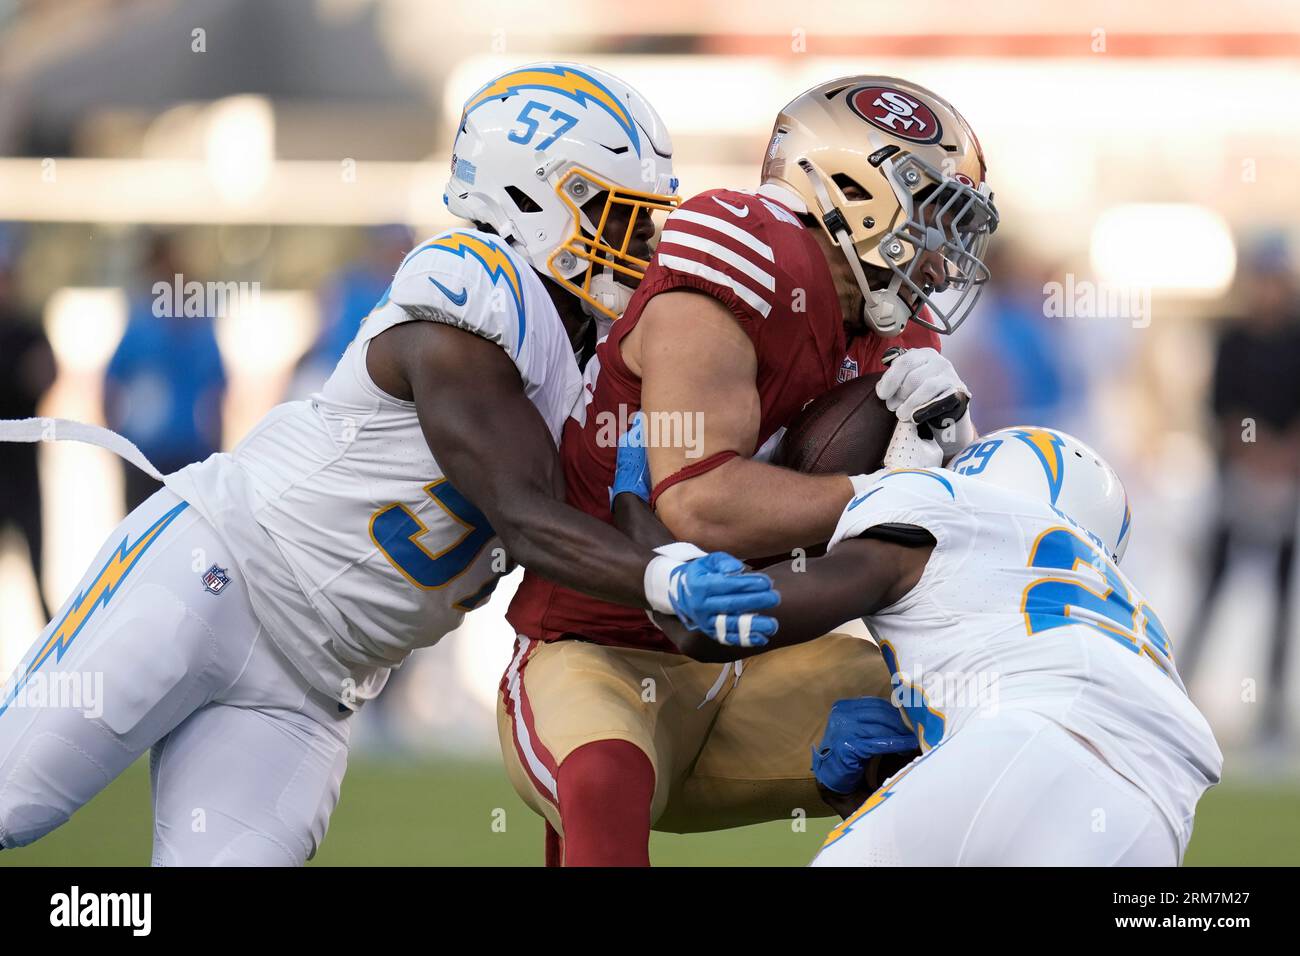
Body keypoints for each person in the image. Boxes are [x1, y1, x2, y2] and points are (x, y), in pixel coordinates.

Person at [0, 62, 773, 865]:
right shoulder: (473, 283)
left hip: (317, 684)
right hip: (217, 575)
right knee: (10, 797)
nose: (639, 245)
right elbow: (522, 511)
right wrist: (667, 578)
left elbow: (631, 524)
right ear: (530, 198)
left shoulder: (603, 352)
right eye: (618, 215)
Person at [501, 75, 998, 865]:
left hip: (757, 660)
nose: (946, 252)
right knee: (603, 776)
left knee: (977, 717)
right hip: (598, 649)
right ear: (854, 188)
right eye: (935, 213)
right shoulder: (746, 249)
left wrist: (948, 477)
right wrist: (890, 494)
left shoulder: (899, 338)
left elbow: (923, 560)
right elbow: (701, 503)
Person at [614, 423, 1222, 865]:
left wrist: (635, 510)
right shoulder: (1129, 616)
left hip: (1028, 743)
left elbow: (719, 624)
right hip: (1155, 823)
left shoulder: (950, 509)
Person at [1177, 233, 1300, 748]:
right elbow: (1219, 408)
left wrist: (1283, 455)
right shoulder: (1234, 340)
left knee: (1279, 597)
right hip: (1239, 478)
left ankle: (1270, 706)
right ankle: (1178, 689)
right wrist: (1251, 451)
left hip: (1287, 480)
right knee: (1214, 584)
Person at [103, 232, 227, 511]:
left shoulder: (199, 327)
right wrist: (117, 442)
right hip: (146, 456)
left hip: (190, 454)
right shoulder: (141, 326)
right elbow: (110, 384)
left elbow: (217, 391)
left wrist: (216, 450)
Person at [0, 229, 57, 620]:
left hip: (22, 471)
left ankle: (55, 662)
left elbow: (43, 375)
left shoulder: (28, 328)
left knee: (38, 572)